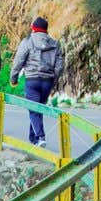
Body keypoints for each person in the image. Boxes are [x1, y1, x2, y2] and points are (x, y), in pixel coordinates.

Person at [9, 16, 63, 147]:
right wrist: (53, 79)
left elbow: (19, 61)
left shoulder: (28, 41)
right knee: (38, 109)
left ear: (34, 29)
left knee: (33, 110)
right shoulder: (55, 43)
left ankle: (40, 137)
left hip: (32, 80)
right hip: (47, 81)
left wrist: (13, 78)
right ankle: (33, 139)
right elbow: (59, 65)